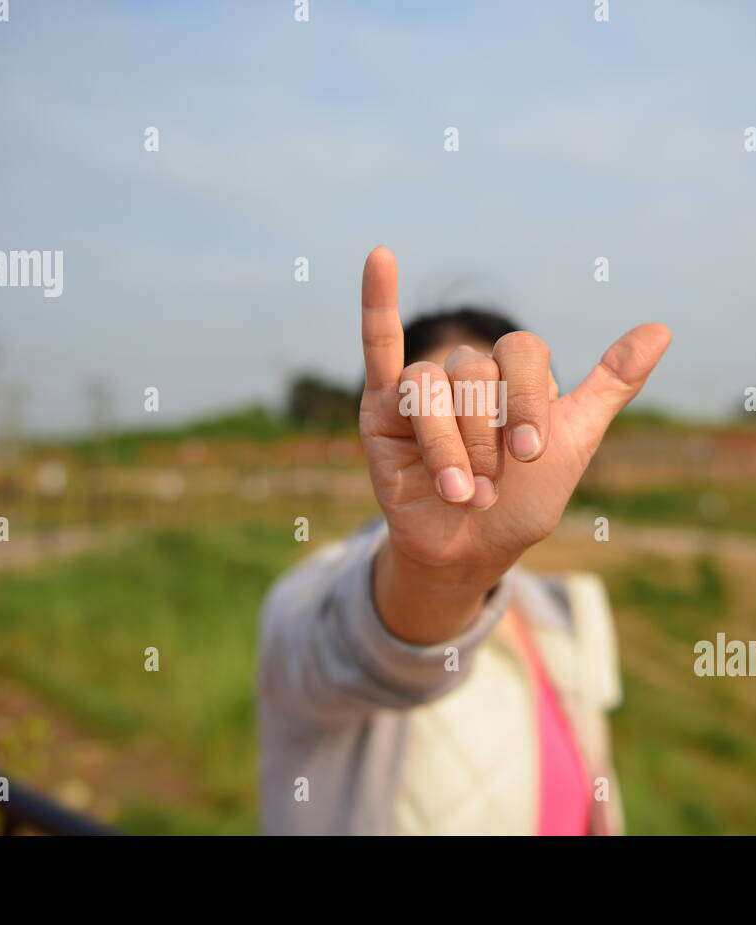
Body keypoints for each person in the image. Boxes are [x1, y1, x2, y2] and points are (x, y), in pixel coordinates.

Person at [257, 246, 672, 834]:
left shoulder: (563, 615)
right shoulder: (311, 601)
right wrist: (438, 576)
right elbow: (354, 648)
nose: (465, 436)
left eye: (491, 409)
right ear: (379, 441)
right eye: (430, 415)